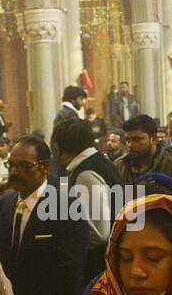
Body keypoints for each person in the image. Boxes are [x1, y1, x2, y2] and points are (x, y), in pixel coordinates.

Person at [0, 136, 88, 295]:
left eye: (23, 166)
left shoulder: (66, 205)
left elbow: (68, 267)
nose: (14, 172)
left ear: (44, 166)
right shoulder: (4, 204)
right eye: (11, 165)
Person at [52, 118, 124, 281]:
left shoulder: (87, 173)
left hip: (96, 268)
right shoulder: (91, 163)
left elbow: (98, 234)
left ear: (60, 147)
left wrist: (63, 245)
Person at [115, 113, 172, 185]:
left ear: (153, 139)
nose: (130, 145)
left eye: (136, 139)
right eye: (128, 140)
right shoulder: (120, 166)